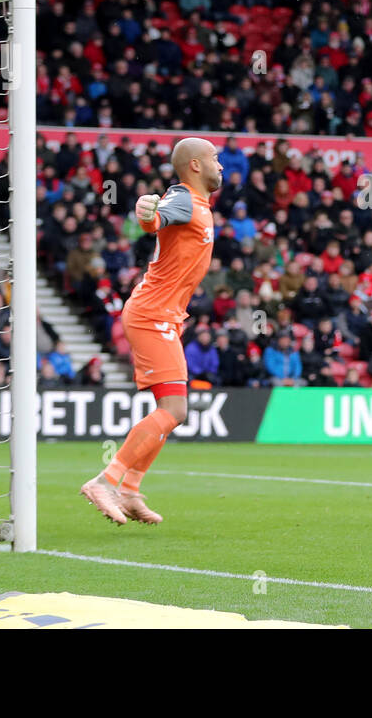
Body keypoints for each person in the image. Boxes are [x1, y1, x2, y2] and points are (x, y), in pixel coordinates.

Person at [79, 137, 222, 525]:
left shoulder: (198, 205)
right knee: (175, 409)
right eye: (214, 158)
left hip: (164, 315)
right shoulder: (182, 199)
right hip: (152, 315)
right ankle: (105, 480)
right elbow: (154, 218)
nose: (220, 165)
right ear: (194, 165)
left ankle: (129, 490)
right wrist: (146, 213)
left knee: (171, 409)